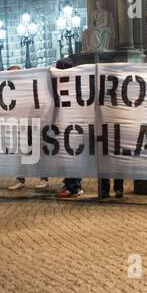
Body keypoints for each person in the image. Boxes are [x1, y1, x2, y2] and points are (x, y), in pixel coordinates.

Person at [53, 57, 84, 198]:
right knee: (70, 157)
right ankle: (72, 184)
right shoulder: (74, 83)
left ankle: (73, 187)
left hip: (70, 127)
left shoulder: (66, 84)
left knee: (70, 157)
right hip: (71, 126)